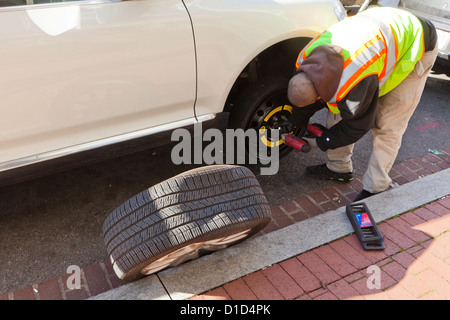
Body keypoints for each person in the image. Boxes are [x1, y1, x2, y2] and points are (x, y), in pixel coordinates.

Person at [287, 6, 437, 202]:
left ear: (318, 95)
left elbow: (357, 125)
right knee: (338, 108)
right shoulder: (304, 59)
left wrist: (320, 142)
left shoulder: (353, 79)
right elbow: (307, 99)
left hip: (415, 42)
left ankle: (376, 188)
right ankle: (338, 168)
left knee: (387, 123)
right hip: (380, 31)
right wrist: (294, 121)